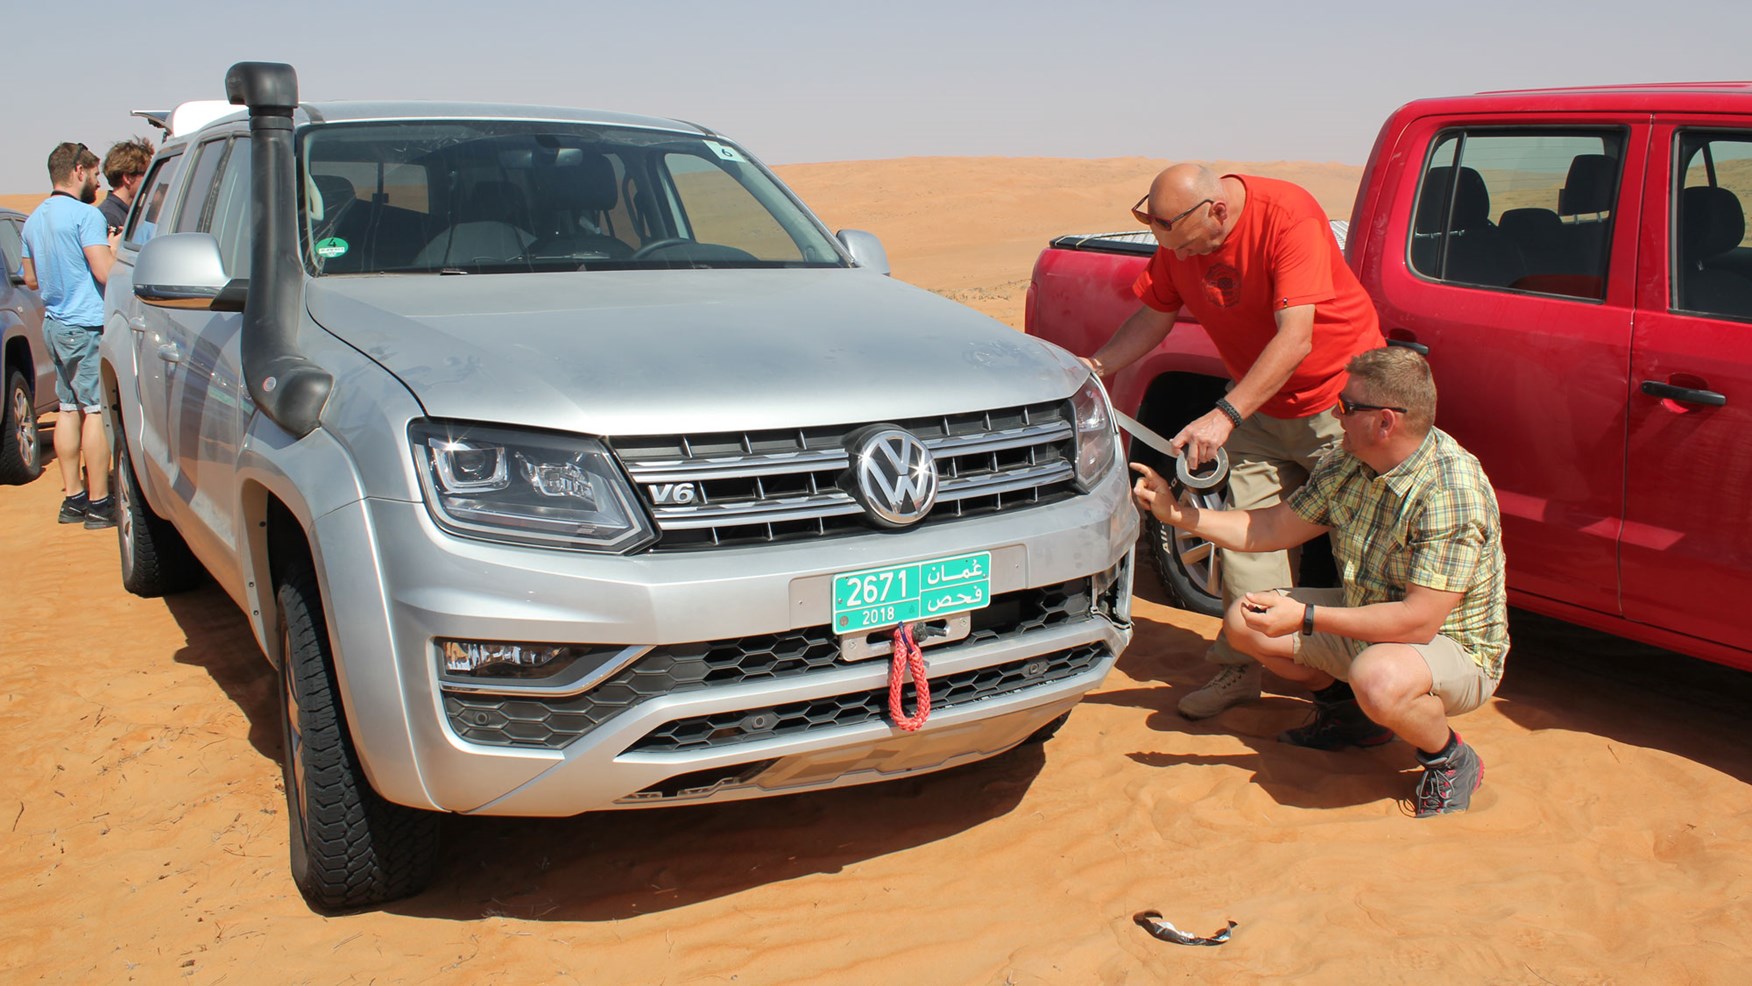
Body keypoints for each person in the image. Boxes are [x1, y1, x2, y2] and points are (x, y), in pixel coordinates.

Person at [1131, 346, 1509, 816]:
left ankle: (1450, 758)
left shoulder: (1450, 492)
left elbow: (1419, 622)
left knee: (1379, 677)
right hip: (1369, 613)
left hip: (1451, 646)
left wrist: (1307, 617)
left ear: (1385, 422)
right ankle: (1350, 717)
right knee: (1245, 621)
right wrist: (1180, 515)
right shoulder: (1347, 462)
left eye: (1348, 407)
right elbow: (1271, 528)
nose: (1337, 414)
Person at [1083, 163, 1385, 719]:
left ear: (1217, 211)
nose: (1180, 255)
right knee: (1247, 548)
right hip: (1259, 407)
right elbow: (1154, 316)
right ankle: (1243, 666)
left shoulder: (1287, 217)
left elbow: (1296, 339)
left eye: (1185, 241)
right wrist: (1097, 366)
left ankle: (1372, 683)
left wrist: (1224, 414)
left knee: (1361, 548)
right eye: (1162, 238)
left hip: (1338, 408)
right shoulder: (1178, 238)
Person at [20, 142, 119, 530]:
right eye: (94, 173)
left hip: (55, 325)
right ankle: (99, 501)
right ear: (79, 171)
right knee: (94, 409)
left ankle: (73, 496)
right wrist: (112, 248)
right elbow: (104, 273)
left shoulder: (33, 220)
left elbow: (30, 279)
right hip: (86, 324)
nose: (97, 181)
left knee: (67, 407)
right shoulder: (85, 216)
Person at [97, 137, 156, 234]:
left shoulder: (128, 212)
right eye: (146, 174)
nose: (151, 179)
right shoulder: (109, 216)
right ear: (128, 178)